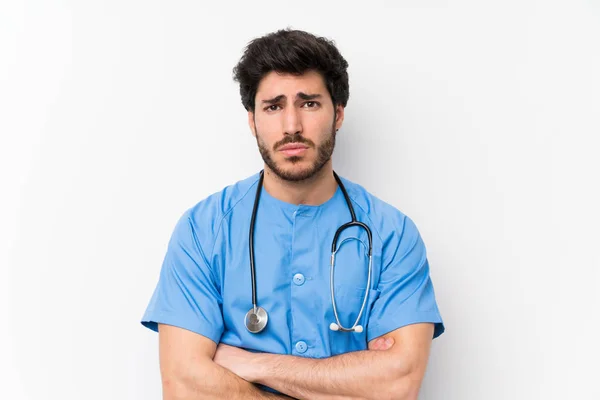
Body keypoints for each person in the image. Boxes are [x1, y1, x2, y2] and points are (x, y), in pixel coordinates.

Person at [141, 28, 445, 399]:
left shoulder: (393, 235)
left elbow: (396, 385)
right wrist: (347, 381)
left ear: (338, 114)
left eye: (310, 103)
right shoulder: (203, 230)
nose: (292, 126)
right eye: (273, 106)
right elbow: (184, 386)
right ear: (252, 120)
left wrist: (257, 365)